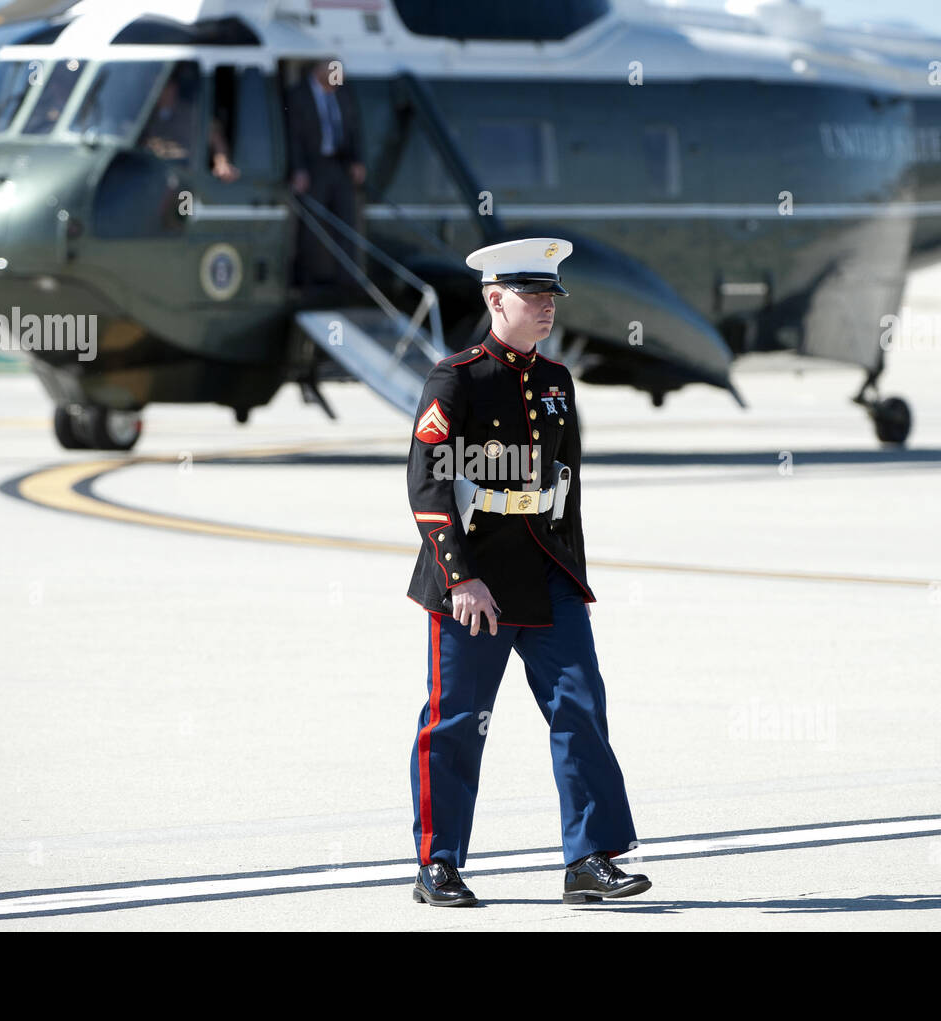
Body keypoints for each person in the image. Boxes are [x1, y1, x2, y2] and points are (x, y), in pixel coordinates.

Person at [405, 237, 651, 907]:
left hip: (545, 575)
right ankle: (438, 864)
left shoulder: (556, 383)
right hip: (474, 578)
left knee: (581, 708)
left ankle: (589, 858)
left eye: (550, 296)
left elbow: (565, 487)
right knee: (455, 721)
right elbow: (428, 485)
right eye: (533, 296)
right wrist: (458, 577)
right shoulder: (456, 377)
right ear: (494, 299)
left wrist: (575, 578)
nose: (546, 307)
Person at [284, 58, 366, 290]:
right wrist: (298, 169)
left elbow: (354, 127)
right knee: (312, 226)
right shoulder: (298, 94)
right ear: (319, 70)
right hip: (313, 166)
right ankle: (306, 282)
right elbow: (293, 136)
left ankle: (347, 282)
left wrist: (358, 161)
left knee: (347, 222)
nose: (337, 84)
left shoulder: (343, 92)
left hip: (340, 165)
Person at [141, 68, 239, 182]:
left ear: (173, 88)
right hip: (150, 174)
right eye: (153, 87)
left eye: (162, 87)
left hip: (184, 176)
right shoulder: (144, 117)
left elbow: (215, 138)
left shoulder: (192, 114)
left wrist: (222, 163)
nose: (157, 92)